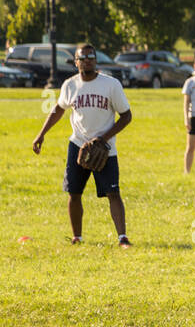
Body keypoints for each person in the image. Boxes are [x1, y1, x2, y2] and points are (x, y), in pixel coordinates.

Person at [31, 43, 134, 247]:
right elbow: (58, 110)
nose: (87, 60)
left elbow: (126, 116)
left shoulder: (111, 85)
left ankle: (122, 237)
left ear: (96, 60)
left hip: (105, 148)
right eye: (83, 57)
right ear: (76, 62)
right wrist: (41, 134)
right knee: (74, 192)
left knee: (113, 192)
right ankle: (77, 237)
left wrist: (104, 139)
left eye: (91, 56)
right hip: (77, 145)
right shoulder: (70, 85)